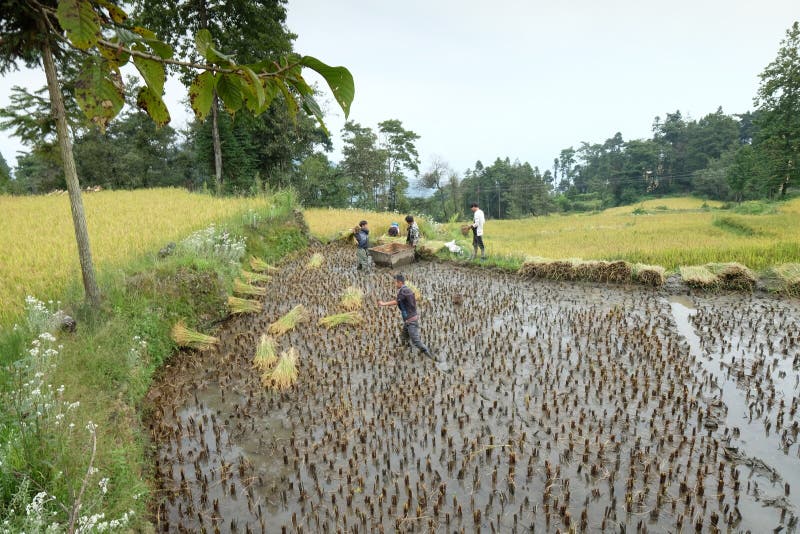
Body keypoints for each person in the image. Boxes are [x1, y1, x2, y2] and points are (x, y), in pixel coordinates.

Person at [377, 273, 433, 358]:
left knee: (416, 341)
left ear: (400, 282)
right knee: (403, 337)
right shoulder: (407, 290)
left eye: (395, 282)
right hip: (408, 320)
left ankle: (431, 357)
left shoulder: (403, 291)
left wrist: (383, 303)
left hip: (411, 321)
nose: (394, 284)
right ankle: (407, 350)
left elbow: (396, 301)